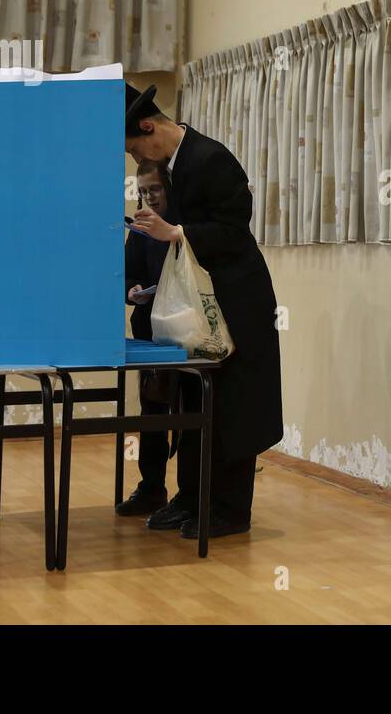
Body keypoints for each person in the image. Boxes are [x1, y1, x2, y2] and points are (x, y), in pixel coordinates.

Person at [123, 83, 283, 540]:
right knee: (193, 400)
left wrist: (175, 232)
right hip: (198, 306)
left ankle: (230, 509)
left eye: (134, 149)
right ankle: (191, 495)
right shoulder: (174, 165)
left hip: (237, 303)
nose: (136, 160)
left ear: (148, 126)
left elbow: (234, 232)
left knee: (232, 407)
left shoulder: (211, 158)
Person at [117, 158, 178, 517]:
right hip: (150, 330)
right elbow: (127, 274)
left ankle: (190, 493)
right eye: (143, 192)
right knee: (153, 410)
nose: (150, 197)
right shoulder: (140, 228)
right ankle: (152, 487)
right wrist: (132, 290)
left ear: (168, 187)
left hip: (186, 331)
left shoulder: (183, 225)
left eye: (155, 189)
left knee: (189, 413)